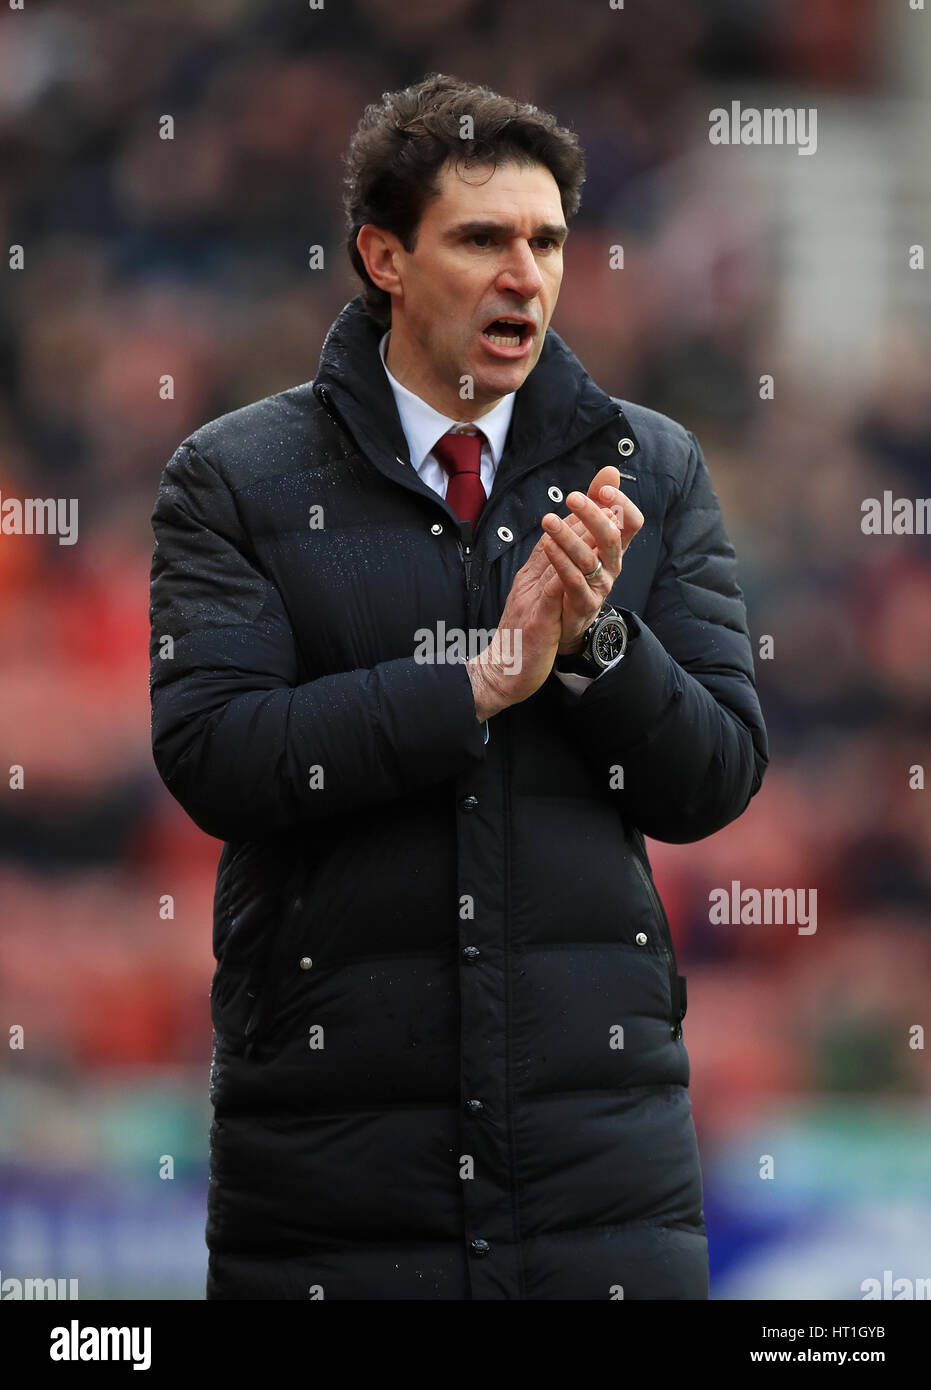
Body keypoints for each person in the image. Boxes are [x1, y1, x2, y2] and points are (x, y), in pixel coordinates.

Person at [149, 72, 768, 1300]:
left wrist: (595, 648)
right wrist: (481, 680)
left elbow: (715, 774)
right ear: (382, 255)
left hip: (601, 1184)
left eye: (545, 240)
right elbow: (216, 753)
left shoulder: (649, 466)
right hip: (331, 1180)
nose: (524, 273)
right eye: (481, 238)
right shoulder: (236, 479)